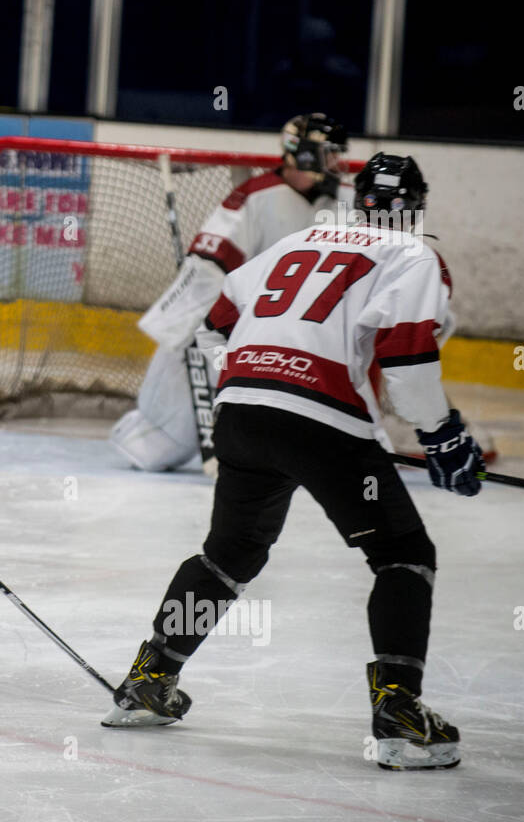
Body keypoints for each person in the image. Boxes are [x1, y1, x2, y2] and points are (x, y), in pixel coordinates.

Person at [103, 154, 477, 772]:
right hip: (322, 419)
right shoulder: (413, 257)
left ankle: (150, 680)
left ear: (360, 199)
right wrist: (443, 436)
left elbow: (217, 323)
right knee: (404, 555)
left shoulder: (303, 237)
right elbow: (408, 363)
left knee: (228, 556)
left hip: (243, 413)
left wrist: (262, 388)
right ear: (418, 204)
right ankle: (400, 714)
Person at [110, 113, 349, 471]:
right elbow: (207, 269)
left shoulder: (344, 199)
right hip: (228, 332)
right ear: (302, 153)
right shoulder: (256, 198)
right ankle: (137, 434)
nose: (337, 163)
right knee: (159, 448)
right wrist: (196, 329)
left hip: (288, 339)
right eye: (328, 153)